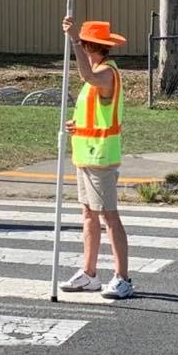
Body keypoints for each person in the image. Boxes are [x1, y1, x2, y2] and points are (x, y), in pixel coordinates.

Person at [59, 18, 133, 300]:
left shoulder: (106, 74)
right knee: (88, 214)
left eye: (84, 43)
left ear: (91, 46)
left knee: (109, 216)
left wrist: (73, 41)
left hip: (102, 155)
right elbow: (95, 109)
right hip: (86, 153)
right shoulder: (100, 71)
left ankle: (123, 278)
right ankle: (89, 274)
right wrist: (77, 124)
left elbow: (87, 77)